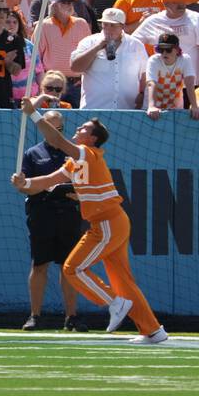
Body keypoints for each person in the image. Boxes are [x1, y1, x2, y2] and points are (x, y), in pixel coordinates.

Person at [13, 98, 169, 344]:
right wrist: (25, 184)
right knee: (123, 280)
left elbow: (56, 140)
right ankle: (152, 330)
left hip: (108, 222)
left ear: (93, 138)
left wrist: (34, 114)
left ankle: (114, 303)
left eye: (83, 129)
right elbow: (48, 181)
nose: (77, 130)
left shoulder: (88, 153)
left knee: (72, 268)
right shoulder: (75, 162)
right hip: (109, 223)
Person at [17, 108, 85, 332]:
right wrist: (23, 183)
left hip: (69, 214)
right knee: (39, 264)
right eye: (51, 128)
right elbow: (24, 186)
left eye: (60, 129)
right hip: (42, 214)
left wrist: (77, 193)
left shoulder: (73, 154)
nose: (56, 133)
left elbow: (87, 184)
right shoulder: (33, 153)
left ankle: (71, 317)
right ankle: (35, 315)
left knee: (69, 267)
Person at [70, 8, 147, 110]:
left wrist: (143, 94)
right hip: (94, 110)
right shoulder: (89, 42)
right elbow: (75, 67)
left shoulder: (136, 45)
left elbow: (145, 74)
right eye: (105, 24)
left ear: (122, 26)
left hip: (127, 110)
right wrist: (97, 47)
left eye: (113, 25)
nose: (108, 29)